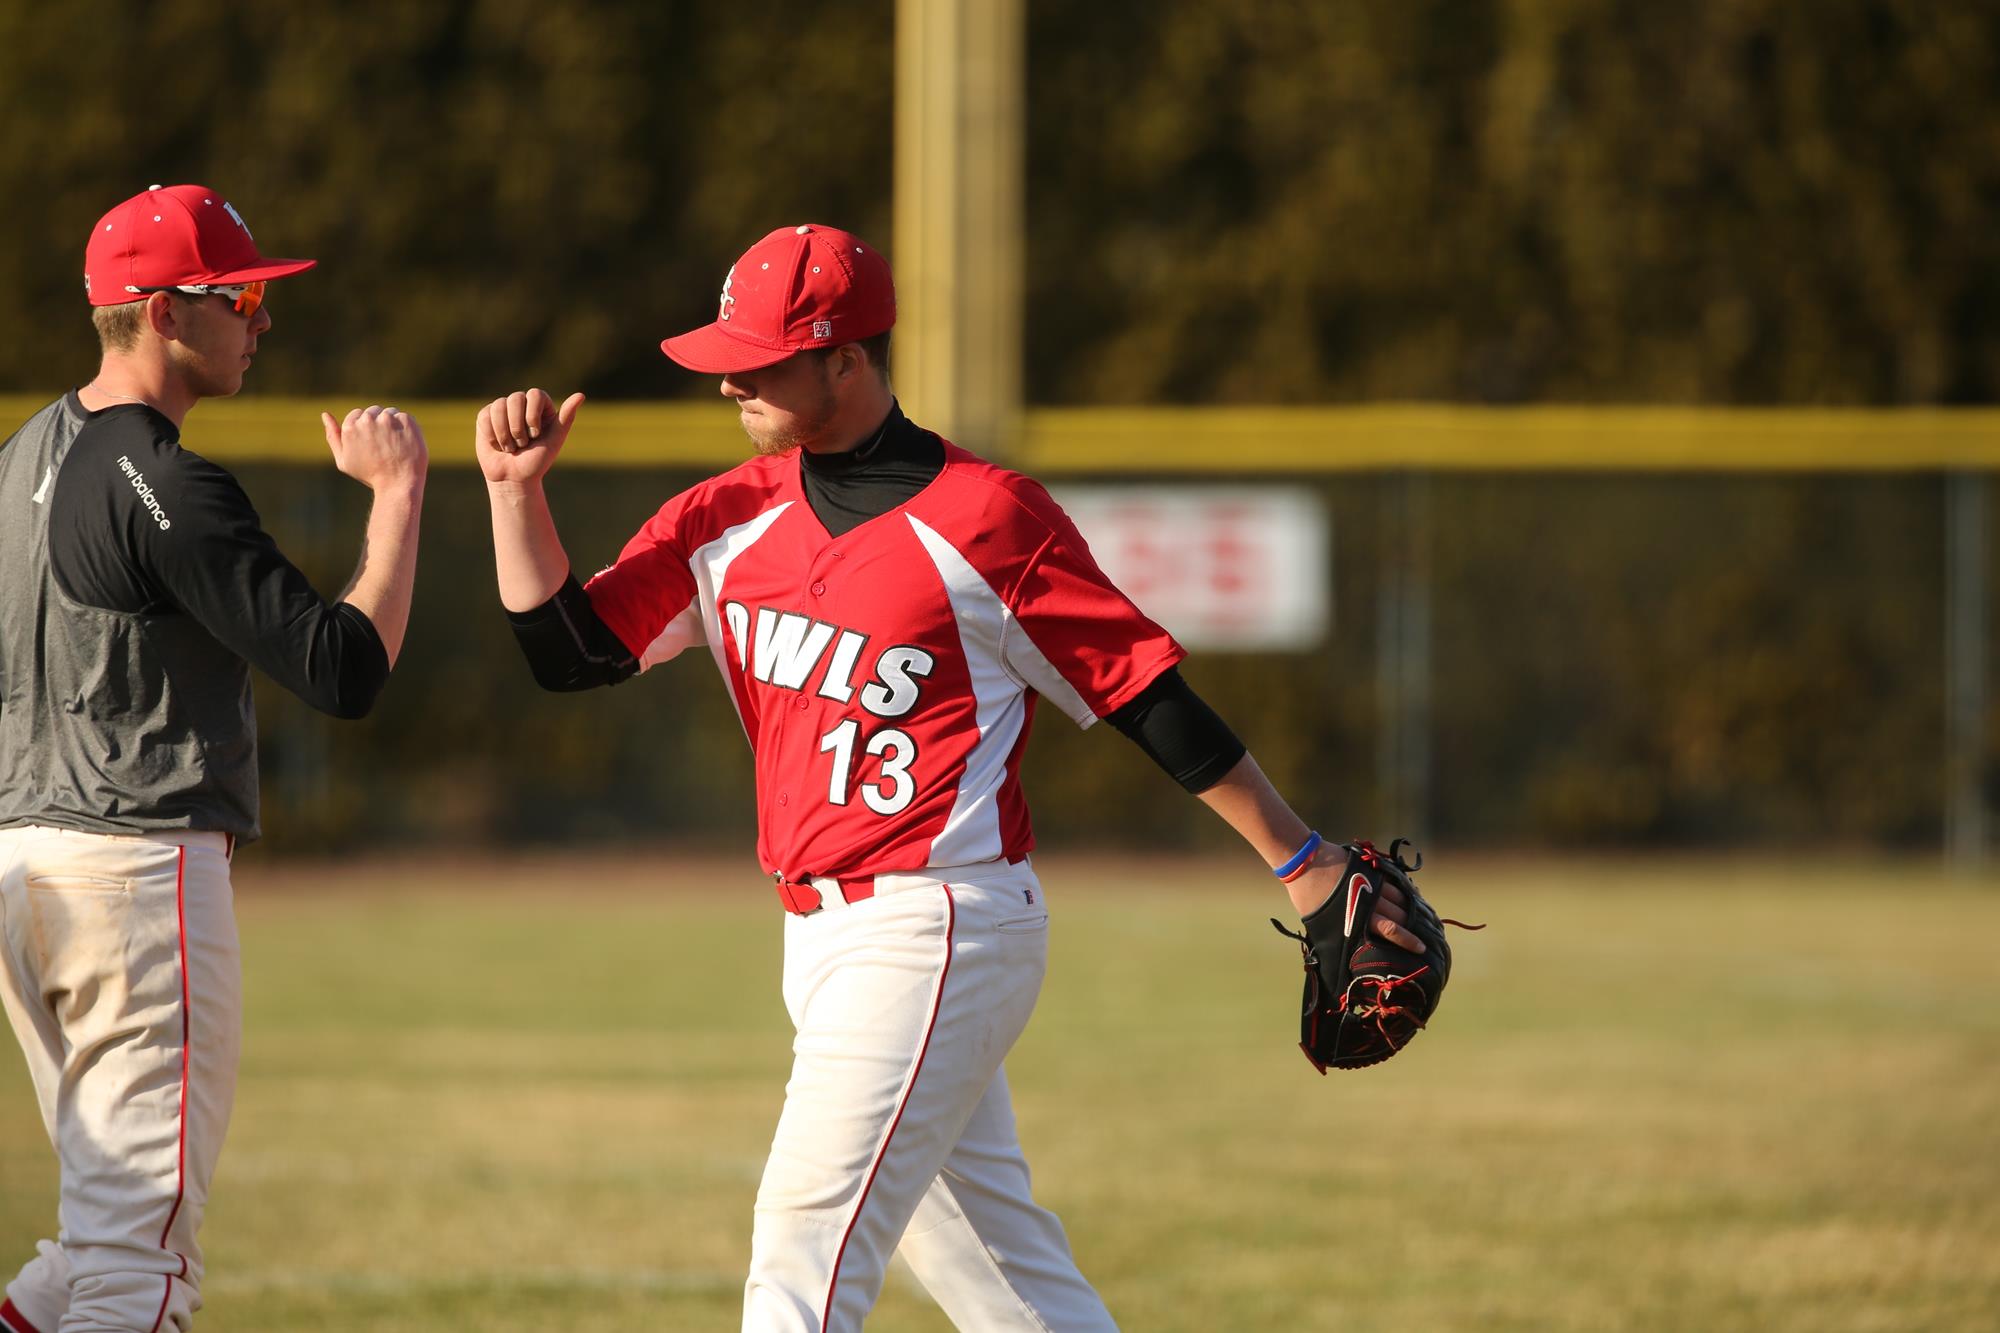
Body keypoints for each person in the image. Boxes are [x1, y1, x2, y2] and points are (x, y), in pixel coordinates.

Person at [476, 223, 1425, 1332]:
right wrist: (514, 494)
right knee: (999, 1272)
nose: (730, 379)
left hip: (935, 924)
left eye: (762, 359)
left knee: (802, 1245)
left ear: (847, 360)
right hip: (821, 939)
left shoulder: (985, 516)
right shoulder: (723, 515)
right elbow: (572, 653)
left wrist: (1303, 860)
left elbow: (1143, 695)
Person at [0, 184, 429, 1333]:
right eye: (238, 297)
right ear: (162, 312)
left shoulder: (20, 454)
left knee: (92, 1245)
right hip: (130, 878)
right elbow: (342, 668)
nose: (261, 317)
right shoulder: (165, 479)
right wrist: (398, 495)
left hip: (23, 869)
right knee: (136, 1267)